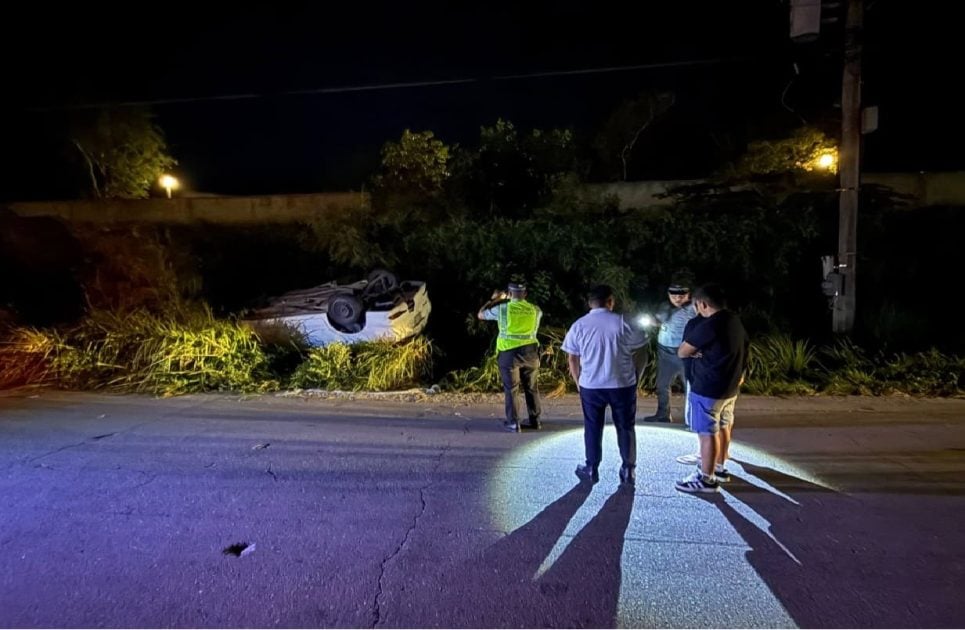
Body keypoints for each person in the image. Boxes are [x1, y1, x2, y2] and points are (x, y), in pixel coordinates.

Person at [561, 285, 649, 485]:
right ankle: (628, 469)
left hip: (591, 385)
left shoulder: (579, 325)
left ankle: (591, 467)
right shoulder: (624, 323)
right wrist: (637, 375)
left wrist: (578, 382)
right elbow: (642, 351)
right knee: (626, 426)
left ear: (589, 303)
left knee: (592, 426)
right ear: (611, 301)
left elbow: (572, 358)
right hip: (622, 384)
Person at [673, 283, 749, 494]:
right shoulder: (734, 320)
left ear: (702, 304)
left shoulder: (710, 325)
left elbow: (682, 351)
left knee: (706, 432)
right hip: (730, 386)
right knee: (723, 426)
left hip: (708, 387)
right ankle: (720, 467)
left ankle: (706, 479)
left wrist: (697, 353)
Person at [478, 282, 543, 432]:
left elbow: (480, 314)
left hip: (509, 353)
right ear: (525, 294)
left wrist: (494, 299)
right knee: (532, 387)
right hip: (531, 352)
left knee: (512, 388)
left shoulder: (502, 309)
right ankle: (535, 421)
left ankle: (514, 423)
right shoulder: (536, 310)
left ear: (509, 294)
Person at [643, 280, 697, 424]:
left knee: (690, 386)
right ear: (668, 294)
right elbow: (657, 321)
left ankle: (691, 417)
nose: (677, 298)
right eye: (674, 295)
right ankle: (663, 414)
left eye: (681, 295)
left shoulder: (694, 308)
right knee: (662, 385)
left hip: (686, 353)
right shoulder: (665, 307)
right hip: (665, 351)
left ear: (688, 294)